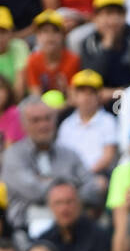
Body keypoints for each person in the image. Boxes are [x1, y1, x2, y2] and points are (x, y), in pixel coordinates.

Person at [2, 95, 100, 239]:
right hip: (27, 228)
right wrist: (72, 187)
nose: (43, 125)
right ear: (23, 124)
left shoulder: (70, 153)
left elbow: (92, 188)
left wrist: (46, 181)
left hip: (73, 227)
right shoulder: (13, 155)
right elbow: (35, 191)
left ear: (55, 121)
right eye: (35, 120)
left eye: (47, 118)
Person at [78, 0, 130, 106]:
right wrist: (107, 46)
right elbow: (89, 80)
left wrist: (117, 92)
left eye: (118, 13)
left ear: (125, 15)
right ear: (96, 17)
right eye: (108, 13)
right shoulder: (89, 43)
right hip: (100, 105)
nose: (113, 20)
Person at [55, 70, 119, 186]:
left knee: (99, 184)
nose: (86, 97)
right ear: (75, 95)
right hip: (70, 176)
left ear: (99, 96)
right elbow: (60, 155)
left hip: (99, 174)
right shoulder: (66, 124)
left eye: (91, 92)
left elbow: (108, 155)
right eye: (82, 92)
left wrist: (84, 174)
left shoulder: (108, 121)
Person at [24, 9, 79, 94]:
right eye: (44, 31)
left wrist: (65, 90)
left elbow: (73, 98)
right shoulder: (32, 60)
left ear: (63, 35)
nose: (50, 36)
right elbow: (35, 94)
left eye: (55, 31)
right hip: (41, 105)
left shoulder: (73, 60)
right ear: (37, 36)